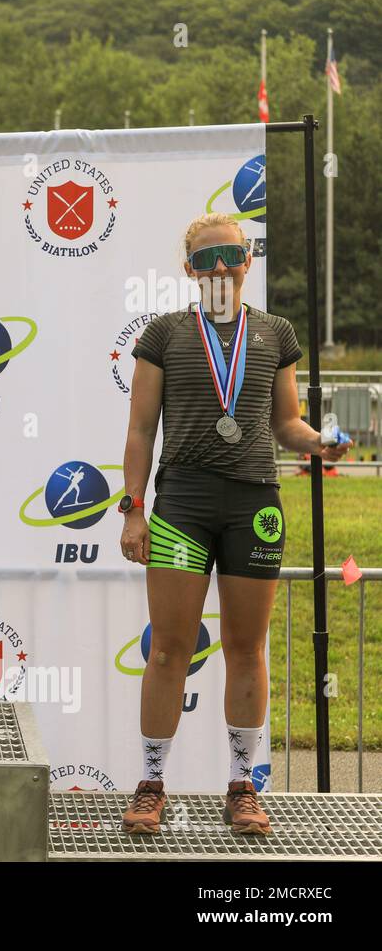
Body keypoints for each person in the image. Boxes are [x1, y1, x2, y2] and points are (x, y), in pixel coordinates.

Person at [117, 213, 350, 834]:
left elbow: (286, 424)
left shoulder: (275, 331)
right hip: (183, 505)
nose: (220, 269)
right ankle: (150, 782)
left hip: (255, 502)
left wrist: (319, 444)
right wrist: (133, 508)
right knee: (169, 650)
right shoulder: (164, 332)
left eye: (231, 257)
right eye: (206, 259)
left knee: (247, 651)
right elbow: (140, 430)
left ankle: (243, 784)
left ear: (248, 262)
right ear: (189, 269)